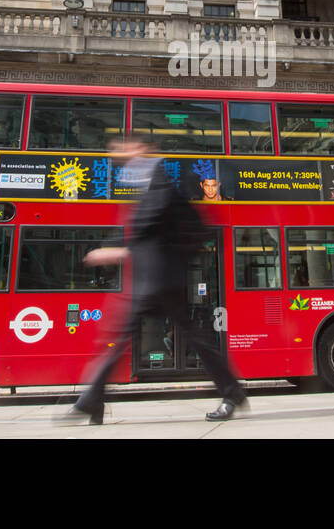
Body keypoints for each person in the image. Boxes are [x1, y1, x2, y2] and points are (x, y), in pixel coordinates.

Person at [61, 134, 247, 425]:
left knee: (177, 338)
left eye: (129, 147)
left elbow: (154, 226)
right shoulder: (143, 184)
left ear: (147, 150)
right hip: (152, 279)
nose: (122, 153)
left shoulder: (162, 185)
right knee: (152, 336)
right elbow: (138, 226)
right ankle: (92, 401)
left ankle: (91, 401)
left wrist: (118, 251)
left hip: (161, 280)